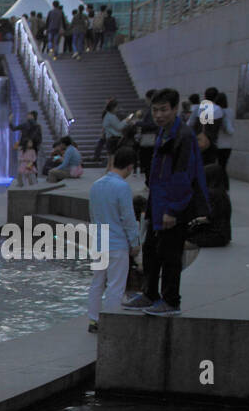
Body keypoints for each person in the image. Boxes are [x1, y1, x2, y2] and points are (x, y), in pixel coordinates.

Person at [124, 88, 209, 317]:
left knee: (170, 254)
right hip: (158, 201)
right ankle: (149, 294)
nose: (159, 114)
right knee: (151, 249)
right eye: (155, 110)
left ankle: (171, 301)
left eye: (163, 110)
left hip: (173, 206)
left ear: (174, 109)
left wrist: (173, 209)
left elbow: (183, 176)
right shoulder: (164, 132)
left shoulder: (183, 136)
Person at [86, 146, 139, 333]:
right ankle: (111, 323)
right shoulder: (122, 187)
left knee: (97, 282)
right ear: (130, 167)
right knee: (116, 285)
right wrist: (135, 242)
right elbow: (128, 218)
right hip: (117, 244)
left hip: (99, 242)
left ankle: (93, 320)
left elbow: (92, 215)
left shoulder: (96, 185)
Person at [187, 165, 230, 248]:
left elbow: (210, 217)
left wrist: (194, 221)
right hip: (224, 234)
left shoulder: (212, 194)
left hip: (214, 235)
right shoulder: (223, 193)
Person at [136, 91, 157, 177]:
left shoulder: (152, 110)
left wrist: (138, 123)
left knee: (147, 161)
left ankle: (149, 182)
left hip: (150, 139)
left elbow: (152, 124)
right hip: (151, 137)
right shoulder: (152, 109)